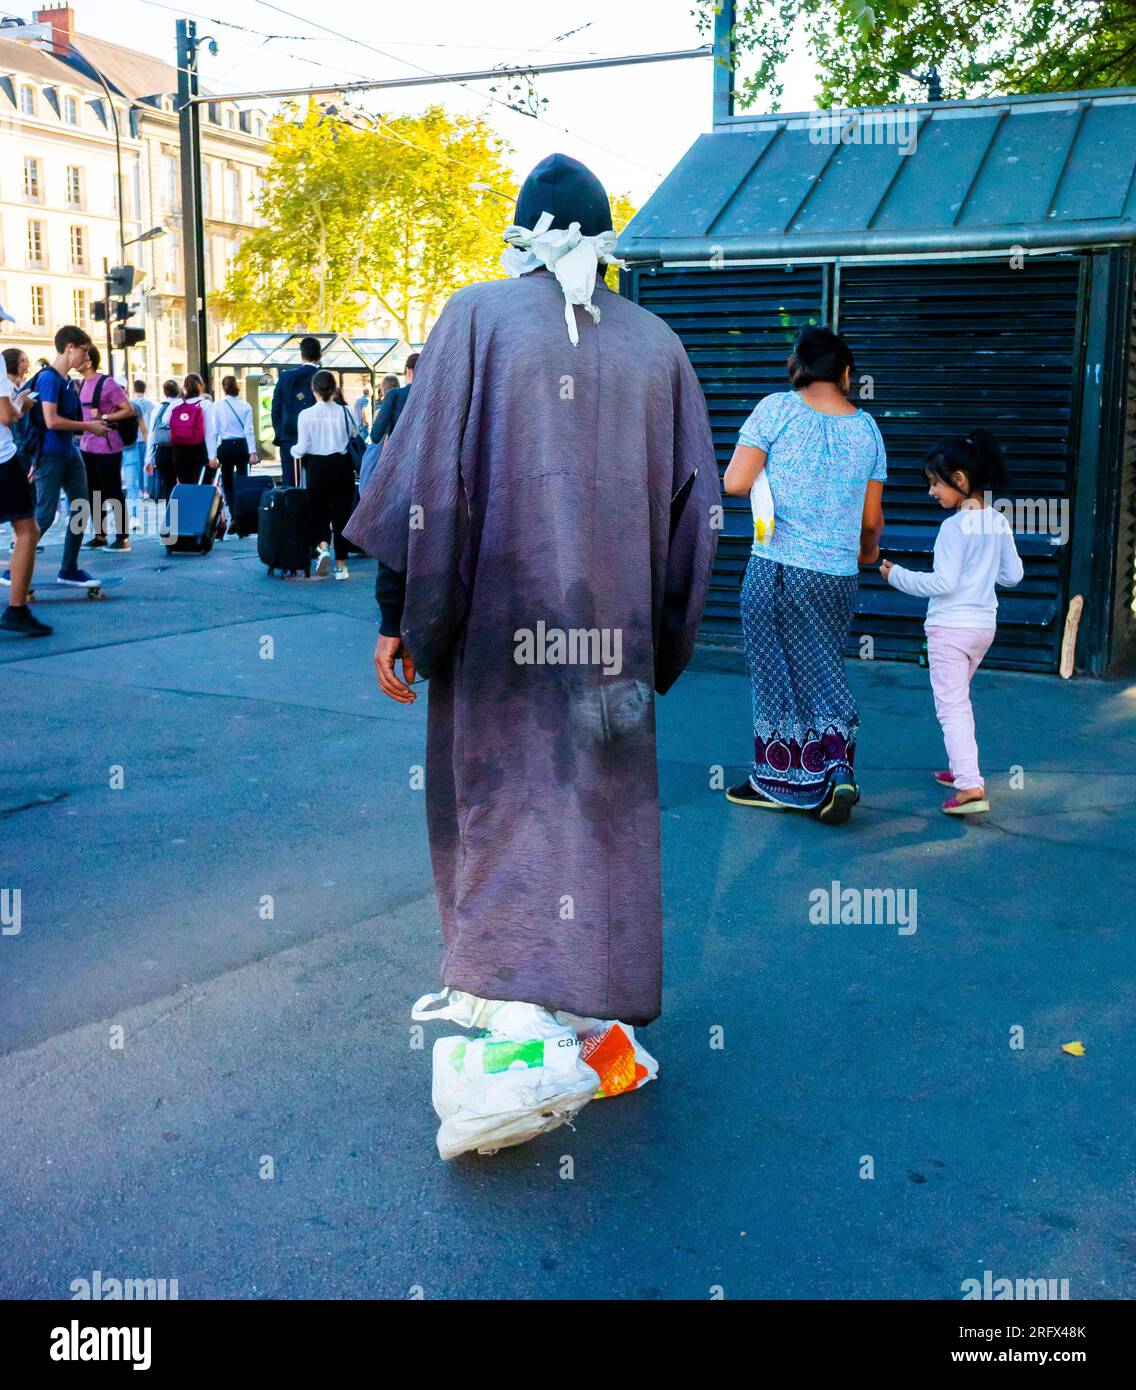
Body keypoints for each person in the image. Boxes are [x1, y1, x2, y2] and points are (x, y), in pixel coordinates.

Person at [343, 153, 719, 1154]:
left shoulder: (474, 319)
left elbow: (422, 485)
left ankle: (518, 1015)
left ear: (517, 236)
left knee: (506, 813)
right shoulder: (658, 351)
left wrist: (403, 617)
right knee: (596, 821)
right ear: (606, 240)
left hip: (499, 637)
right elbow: (699, 524)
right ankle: (592, 1023)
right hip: (613, 646)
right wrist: (657, 646)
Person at [722, 324, 886, 823]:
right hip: (836, 576)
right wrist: (866, 552)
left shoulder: (775, 409)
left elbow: (735, 482)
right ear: (846, 374)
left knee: (778, 675)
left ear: (795, 369)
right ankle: (834, 767)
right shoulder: (868, 428)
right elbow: (872, 520)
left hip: (776, 567)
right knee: (821, 664)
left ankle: (781, 779)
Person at [881, 430, 1023, 816]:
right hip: (983, 629)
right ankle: (962, 769)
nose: (931, 492)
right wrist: (981, 571)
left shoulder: (953, 528)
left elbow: (941, 583)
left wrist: (896, 575)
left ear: (959, 480)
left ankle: (969, 785)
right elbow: (1013, 577)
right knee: (958, 701)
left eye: (935, 483)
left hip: (950, 630)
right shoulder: (997, 522)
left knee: (952, 707)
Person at [29, 325, 110, 589]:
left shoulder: (64, 381)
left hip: (68, 452)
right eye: (84, 351)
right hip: (51, 454)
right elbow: (51, 421)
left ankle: (69, 568)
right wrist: (90, 427)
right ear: (70, 348)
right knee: (45, 515)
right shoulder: (50, 379)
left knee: (81, 506)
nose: (87, 358)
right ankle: (18, 568)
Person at [0, 346, 52, 634]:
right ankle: (16, 608)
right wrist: (21, 403)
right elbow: (6, 416)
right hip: (2, 459)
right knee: (27, 531)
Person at [293, 369, 358, 580]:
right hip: (342, 465)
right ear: (334, 389)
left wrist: (293, 451)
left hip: (316, 466)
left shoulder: (306, 415)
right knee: (341, 515)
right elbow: (355, 434)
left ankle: (323, 547)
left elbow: (301, 448)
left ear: (314, 390)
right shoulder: (346, 412)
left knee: (319, 510)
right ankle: (341, 566)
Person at [77, 345, 134, 550]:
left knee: (113, 490)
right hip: (87, 445)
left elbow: (127, 409)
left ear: (89, 360)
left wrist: (105, 417)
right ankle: (100, 535)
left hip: (107, 446)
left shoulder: (107, 383)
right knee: (94, 492)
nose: (74, 358)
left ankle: (122, 537)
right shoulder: (82, 383)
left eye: (79, 355)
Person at [271, 335, 321, 487]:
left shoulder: (286, 376)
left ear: (302, 354)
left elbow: (276, 408)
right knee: (317, 484)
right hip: (317, 439)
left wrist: (280, 432)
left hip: (289, 436)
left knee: (290, 483)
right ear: (320, 354)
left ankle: (292, 509)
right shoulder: (324, 377)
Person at [213, 376, 257, 514]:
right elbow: (249, 430)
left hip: (225, 445)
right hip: (241, 445)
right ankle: (241, 508)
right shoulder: (245, 406)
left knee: (226, 479)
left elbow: (214, 431)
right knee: (243, 478)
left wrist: (212, 454)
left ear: (223, 388)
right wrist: (253, 452)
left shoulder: (217, 406)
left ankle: (232, 510)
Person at [170, 374, 219, 487]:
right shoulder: (205, 404)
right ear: (201, 386)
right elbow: (210, 432)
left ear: (185, 387)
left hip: (179, 451)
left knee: (185, 485)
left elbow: (165, 420)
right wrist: (212, 457)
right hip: (198, 450)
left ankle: (186, 505)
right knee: (201, 486)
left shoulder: (178, 403)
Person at [144, 380, 181, 502]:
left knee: (167, 486)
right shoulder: (182, 405)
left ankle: (171, 517)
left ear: (165, 392)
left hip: (162, 451)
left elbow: (152, 434)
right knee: (183, 485)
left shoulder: (158, 409)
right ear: (178, 391)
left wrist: (149, 458)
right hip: (180, 450)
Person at [369, 354, 416, 449]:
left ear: (409, 371)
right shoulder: (435, 397)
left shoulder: (394, 395)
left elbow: (375, 436)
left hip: (400, 454)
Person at [126, 380, 155, 501]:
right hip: (146, 438)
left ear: (133, 389)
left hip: (133, 439)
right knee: (146, 464)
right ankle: (146, 490)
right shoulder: (151, 405)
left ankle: (138, 490)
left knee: (135, 468)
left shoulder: (130, 404)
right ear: (145, 389)